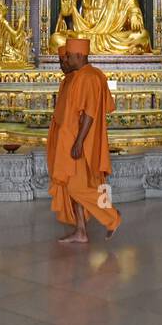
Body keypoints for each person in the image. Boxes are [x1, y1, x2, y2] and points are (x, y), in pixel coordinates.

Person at [47, 37, 122, 243]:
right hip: (74, 140)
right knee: (89, 186)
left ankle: (113, 217)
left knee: (76, 187)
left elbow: (88, 113)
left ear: (79, 55)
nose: (66, 61)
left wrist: (79, 141)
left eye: (68, 57)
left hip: (81, 143)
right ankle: (81, 230)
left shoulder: (88, 77)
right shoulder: (84, 76)